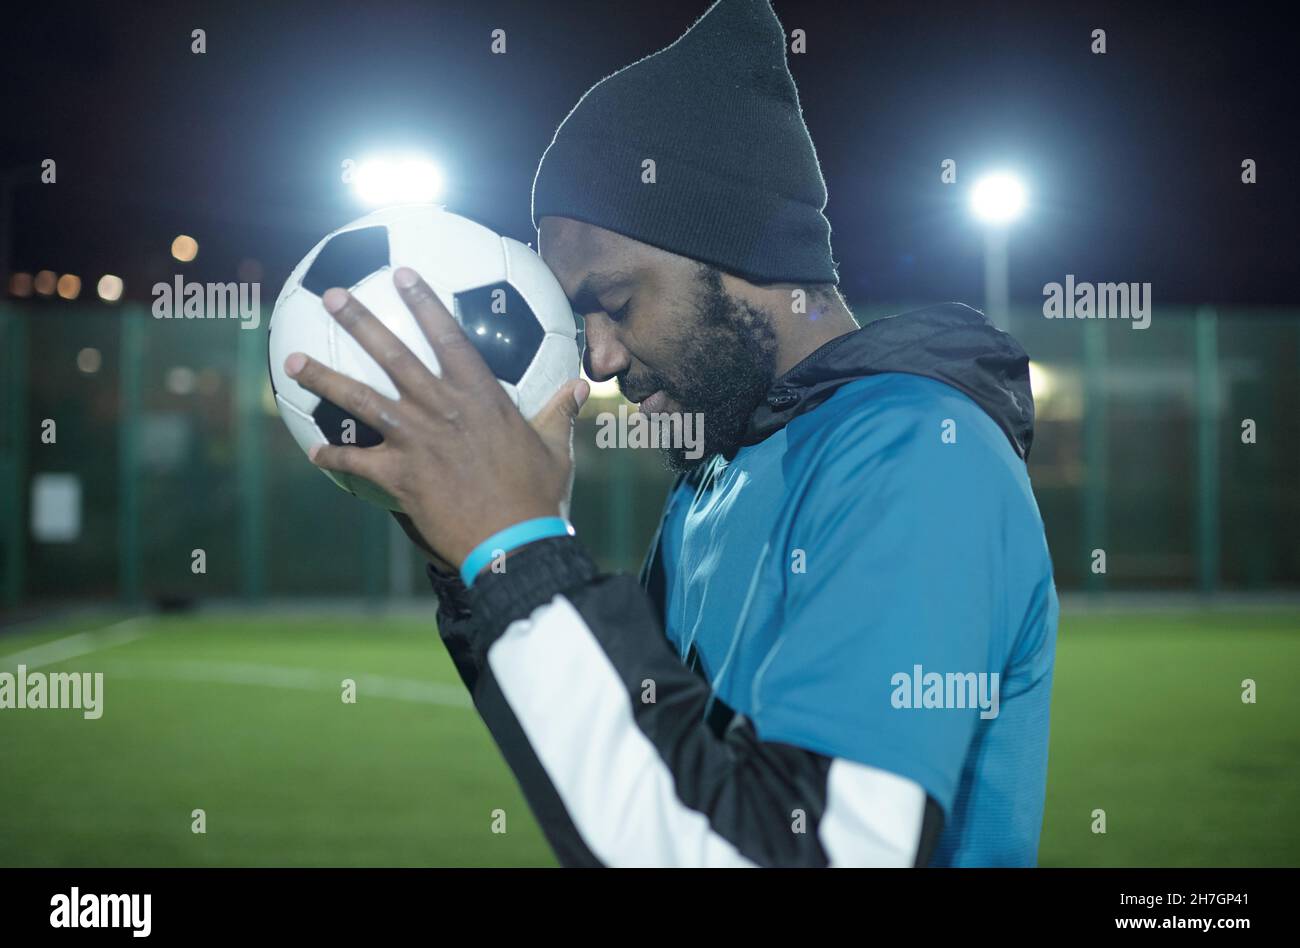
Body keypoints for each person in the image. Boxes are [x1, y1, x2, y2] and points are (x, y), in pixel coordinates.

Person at [284, 0, 1058, 866]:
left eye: (613, 305)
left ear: (738, 256)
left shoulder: (920, 455)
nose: (602, 360)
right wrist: (477, 573)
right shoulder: (713, 486)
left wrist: (517, 550)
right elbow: (649, 776)